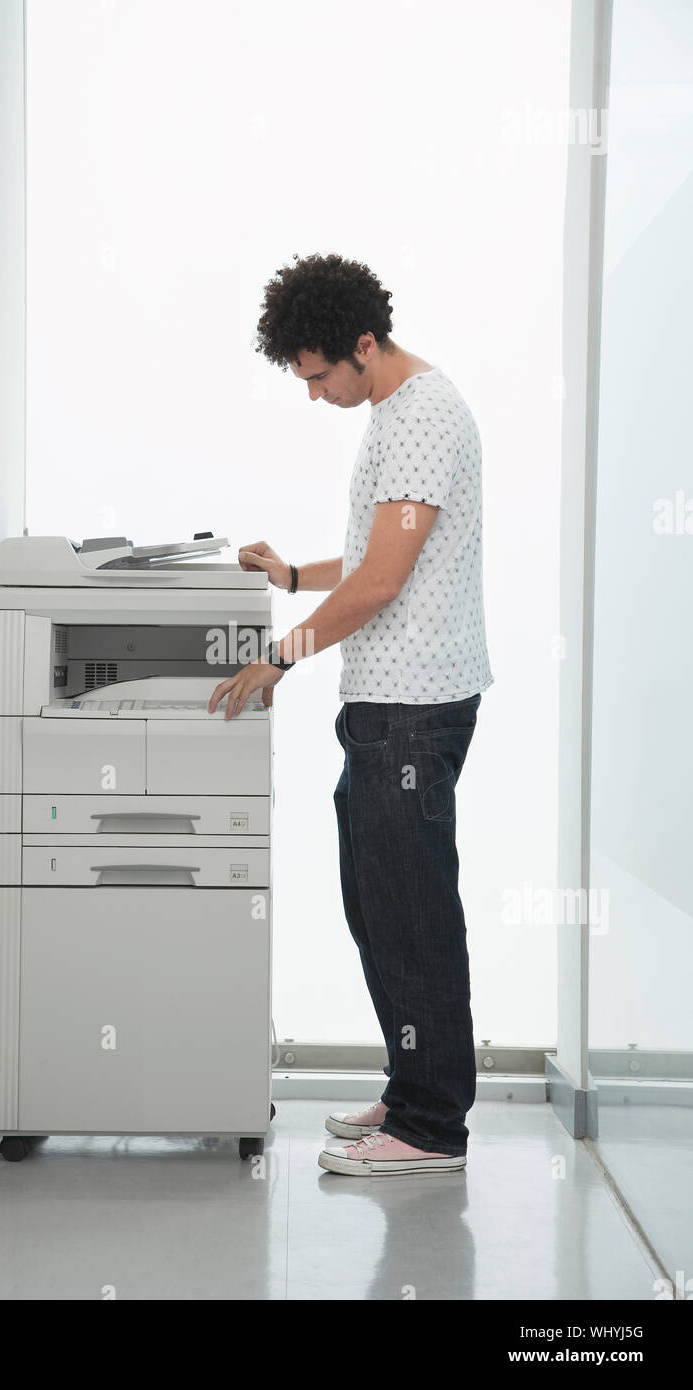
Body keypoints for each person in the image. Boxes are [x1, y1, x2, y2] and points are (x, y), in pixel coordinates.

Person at [208, 252, 493, 1176]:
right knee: (379, 909)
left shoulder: (423, 417)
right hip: (388, 707)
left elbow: (382, 580)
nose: (313, 392)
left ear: (364, 345)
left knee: (411, 917)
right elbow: (370, 556)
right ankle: (413, 1085)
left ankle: (429, 1129)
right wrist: (291, 575)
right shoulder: (394, 410)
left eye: (319, 373)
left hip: (409, 712)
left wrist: (277, 658)